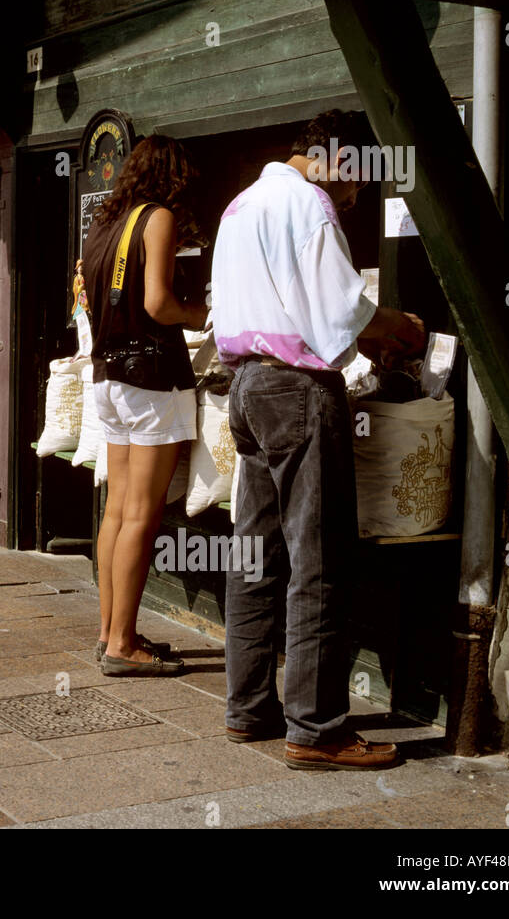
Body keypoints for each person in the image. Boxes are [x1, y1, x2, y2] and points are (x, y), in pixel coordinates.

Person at [211, 110, 426, 771]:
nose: (356, 197)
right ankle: (317, 728)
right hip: (299, 390)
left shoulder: (241, 205)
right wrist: (401, 327)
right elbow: (339, 318)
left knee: (255, 554)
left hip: (246, 388)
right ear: (337, 159)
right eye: (358, 181)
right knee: (320, 559)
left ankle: (249, 708)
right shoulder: (310, 205)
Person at [82, 135, 210, 677]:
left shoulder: (106, 225)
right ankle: (123, 645)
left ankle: (111, 631)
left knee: (116, 511)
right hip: (154, 379)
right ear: (173, 178)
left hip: (110, 378)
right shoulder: (155, 218)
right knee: (141, 514)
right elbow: (158, 302)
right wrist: (198, 312)